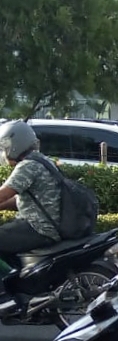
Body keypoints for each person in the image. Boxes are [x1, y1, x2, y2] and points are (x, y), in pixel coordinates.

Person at [0, 120, 63, 310]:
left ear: (16, 144)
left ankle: (5, 296)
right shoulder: (41, 161)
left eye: (6, 147)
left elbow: (4, 193)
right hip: (47, 224)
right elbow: (18, 199)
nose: (4, 152)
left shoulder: (27, 166)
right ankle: (17, 283)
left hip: (40, 227)